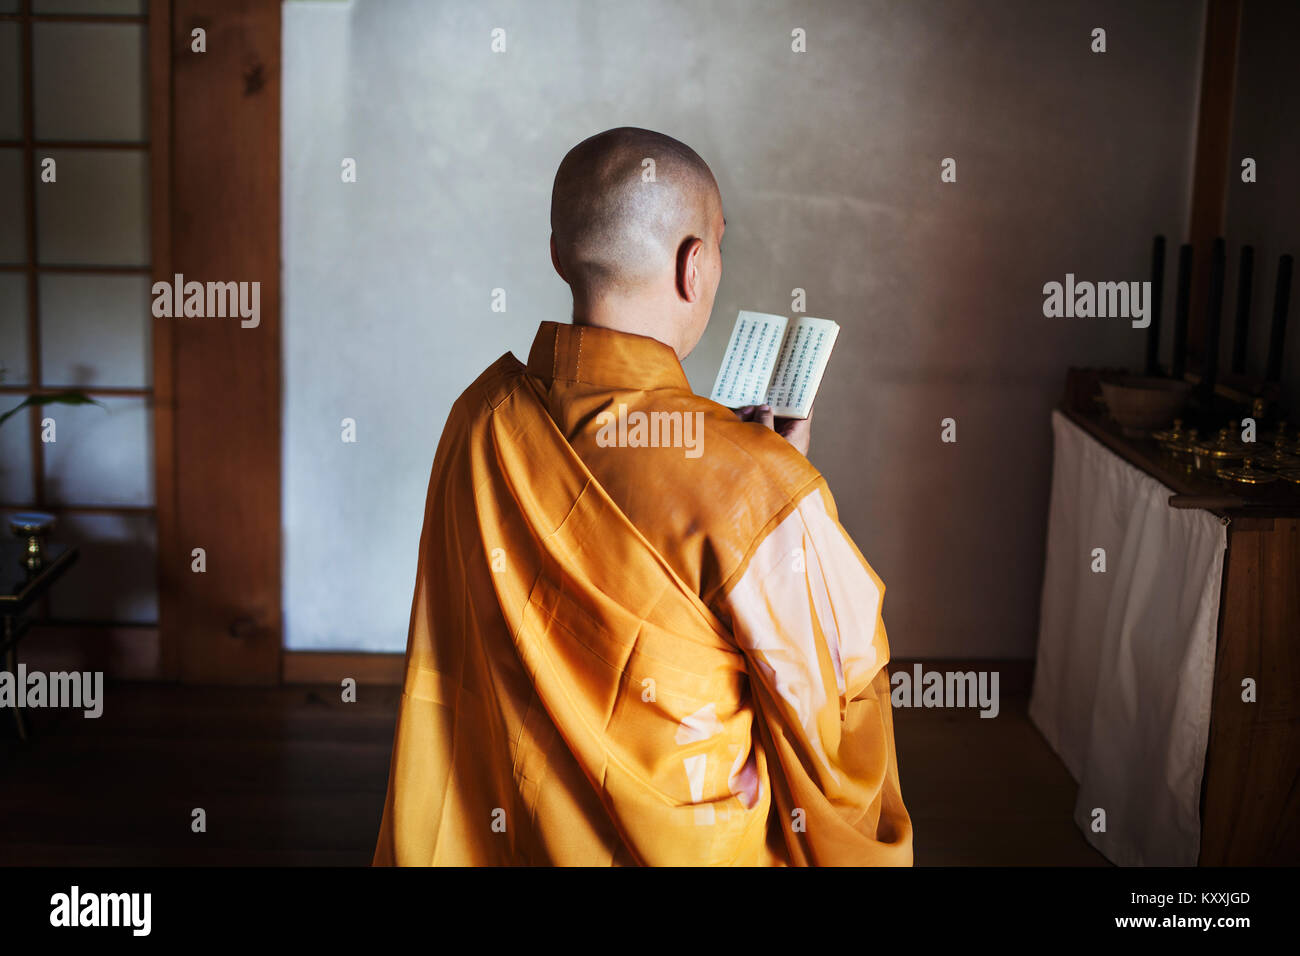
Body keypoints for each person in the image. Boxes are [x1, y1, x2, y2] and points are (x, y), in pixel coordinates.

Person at [372, 127, 912, 866]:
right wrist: (773, 497)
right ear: (696, 265)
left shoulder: (481, 417)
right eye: (720, 244)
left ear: (559, 255)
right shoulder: (756, 484)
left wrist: (761, 484)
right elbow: (831, 731)